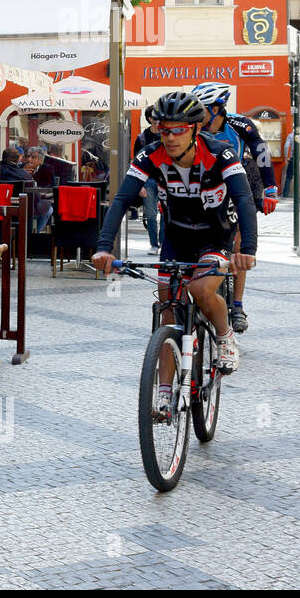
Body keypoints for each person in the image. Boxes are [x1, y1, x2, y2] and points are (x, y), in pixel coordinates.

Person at [93, 92, 257, 408]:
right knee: (169, 305)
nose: (169, 137)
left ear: (195, 129)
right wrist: (104, 248)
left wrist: (246, 249)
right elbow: (121, 200)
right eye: (164, 129)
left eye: (178, 130)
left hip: (215, 237)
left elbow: (245, 200)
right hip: (176, 238)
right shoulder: (150, 155)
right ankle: (165, 394)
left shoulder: (221, 155)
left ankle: (224, 337)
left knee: (200, 288)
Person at [190, 82, 278, 334]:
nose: (196, 113)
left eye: (202, 109)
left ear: (216, 109)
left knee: (238, 246)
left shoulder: (241, 125)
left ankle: (237, 305)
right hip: (201, 188)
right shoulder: (193, 126)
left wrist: (270, 188)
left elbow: (261, 153)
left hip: (233, 187)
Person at [132, 116, 162, 255]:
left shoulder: (167, 136)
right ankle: (154, 244)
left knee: (166, 213)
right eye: (155, 119)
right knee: (150, 214)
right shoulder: (142, 138)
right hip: (148, 180)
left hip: (165, 179)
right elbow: (136, 163)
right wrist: (139, 185)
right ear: (150, 119)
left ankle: (163, 242)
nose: (158, 122)